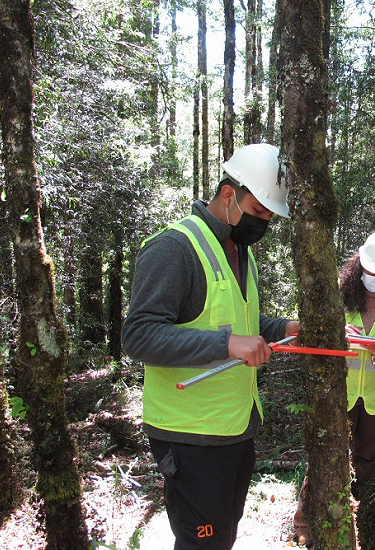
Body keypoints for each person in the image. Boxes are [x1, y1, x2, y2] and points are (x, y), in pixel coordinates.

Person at [122, 143, 300, 550]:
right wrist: (227, 344)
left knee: (221, 538)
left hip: (234, 428)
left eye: (270, 215)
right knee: (202, 543)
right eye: (258, 211)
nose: (265, 221)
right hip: (189, 436)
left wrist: (286, 327)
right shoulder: (175, 248)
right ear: (227, 194)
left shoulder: (240, 252)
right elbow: (139, 335)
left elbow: (242, 326)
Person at [293, 230, 375, 541]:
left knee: (366, 459)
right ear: (360, 265)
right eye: (371, 271)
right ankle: (305, 524)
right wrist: (339, 330)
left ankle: (354, 521)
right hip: (341, 392)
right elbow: (316, 330)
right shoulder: (339, 293)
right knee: (326, 455)